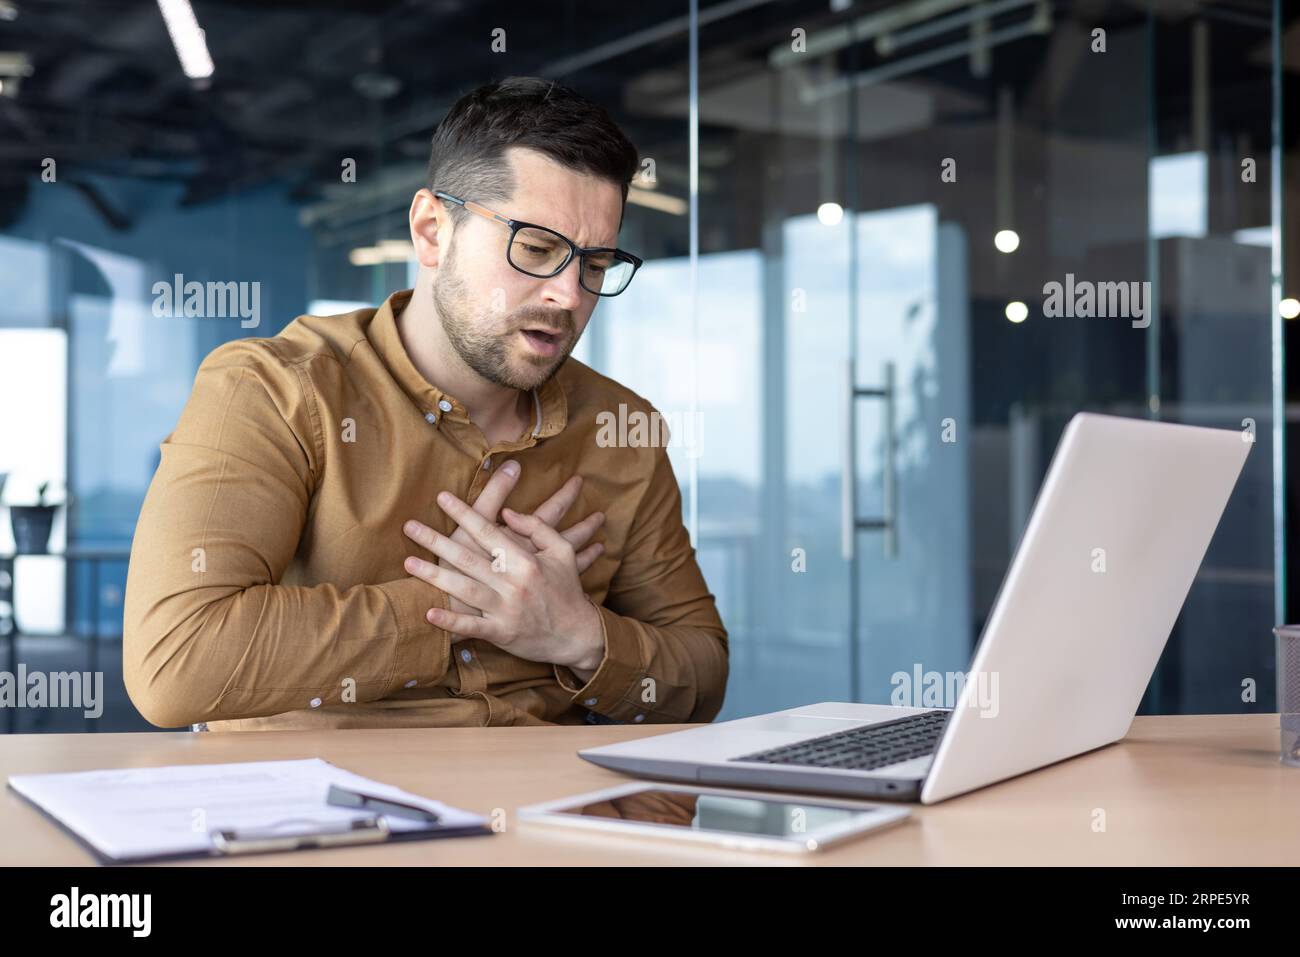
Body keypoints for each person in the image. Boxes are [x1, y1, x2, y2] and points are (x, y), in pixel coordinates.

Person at [122, 77, 728, 731]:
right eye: (536, 249)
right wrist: (462, 601)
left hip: (553, 812)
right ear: (433, 231)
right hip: (327, 816)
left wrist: (579, 635)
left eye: (596, 263)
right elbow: (176, 662)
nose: (569, 295)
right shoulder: (276, 389)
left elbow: (701, 675)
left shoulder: (622, 429)